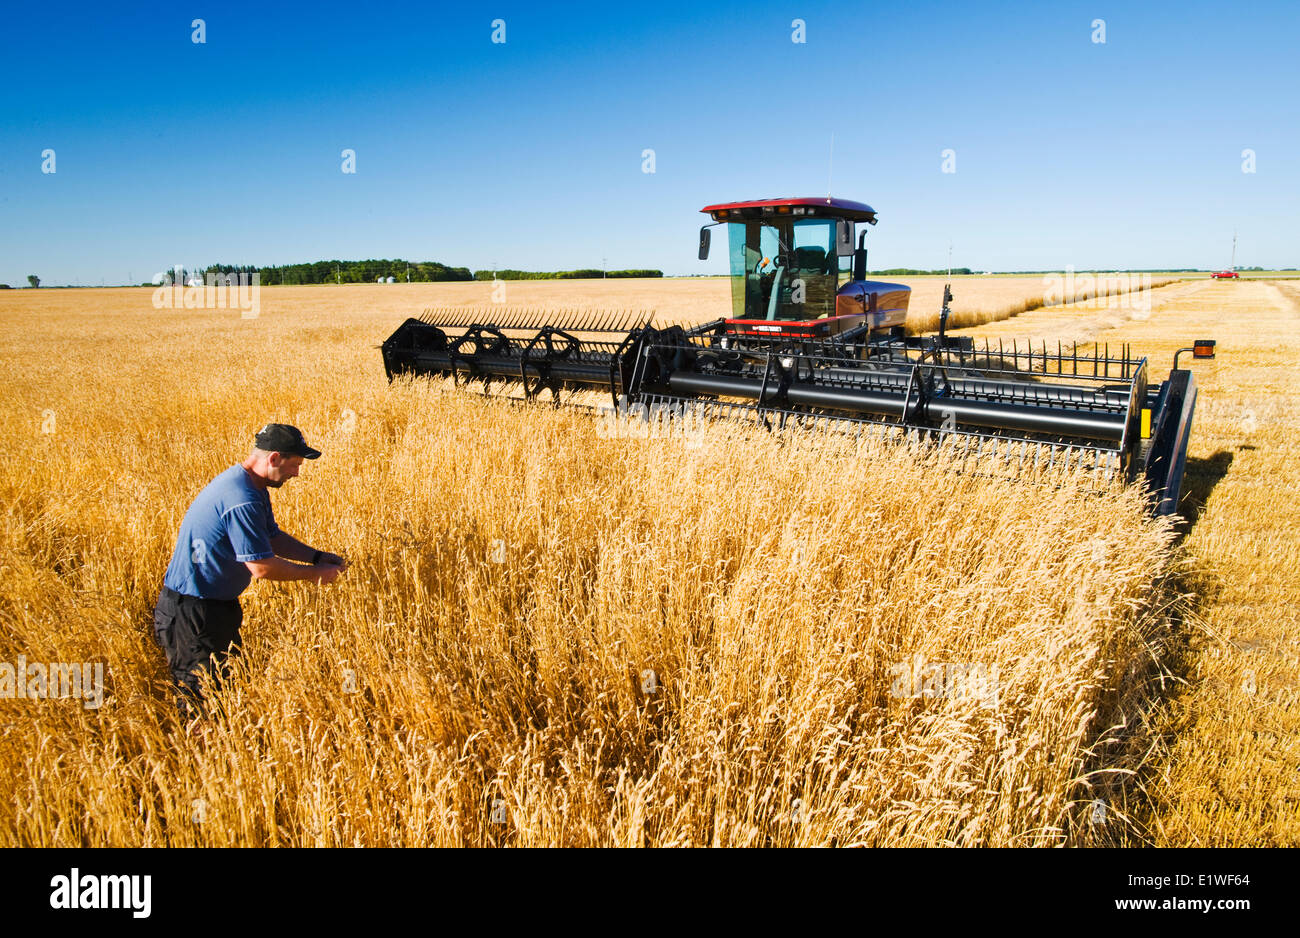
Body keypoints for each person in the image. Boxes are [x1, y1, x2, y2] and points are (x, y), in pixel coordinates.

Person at [153, 423, 348, 717]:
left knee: (223, 695)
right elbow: (261, 567)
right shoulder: (241, 498)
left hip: (213, 608)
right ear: (273, 458)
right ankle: (198, 760)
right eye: (294, 464)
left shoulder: (251, 486)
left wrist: (316, 557)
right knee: (201, 706)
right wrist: (316, 576)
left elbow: (270, 537)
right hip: (193, 615)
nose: (297, 473)